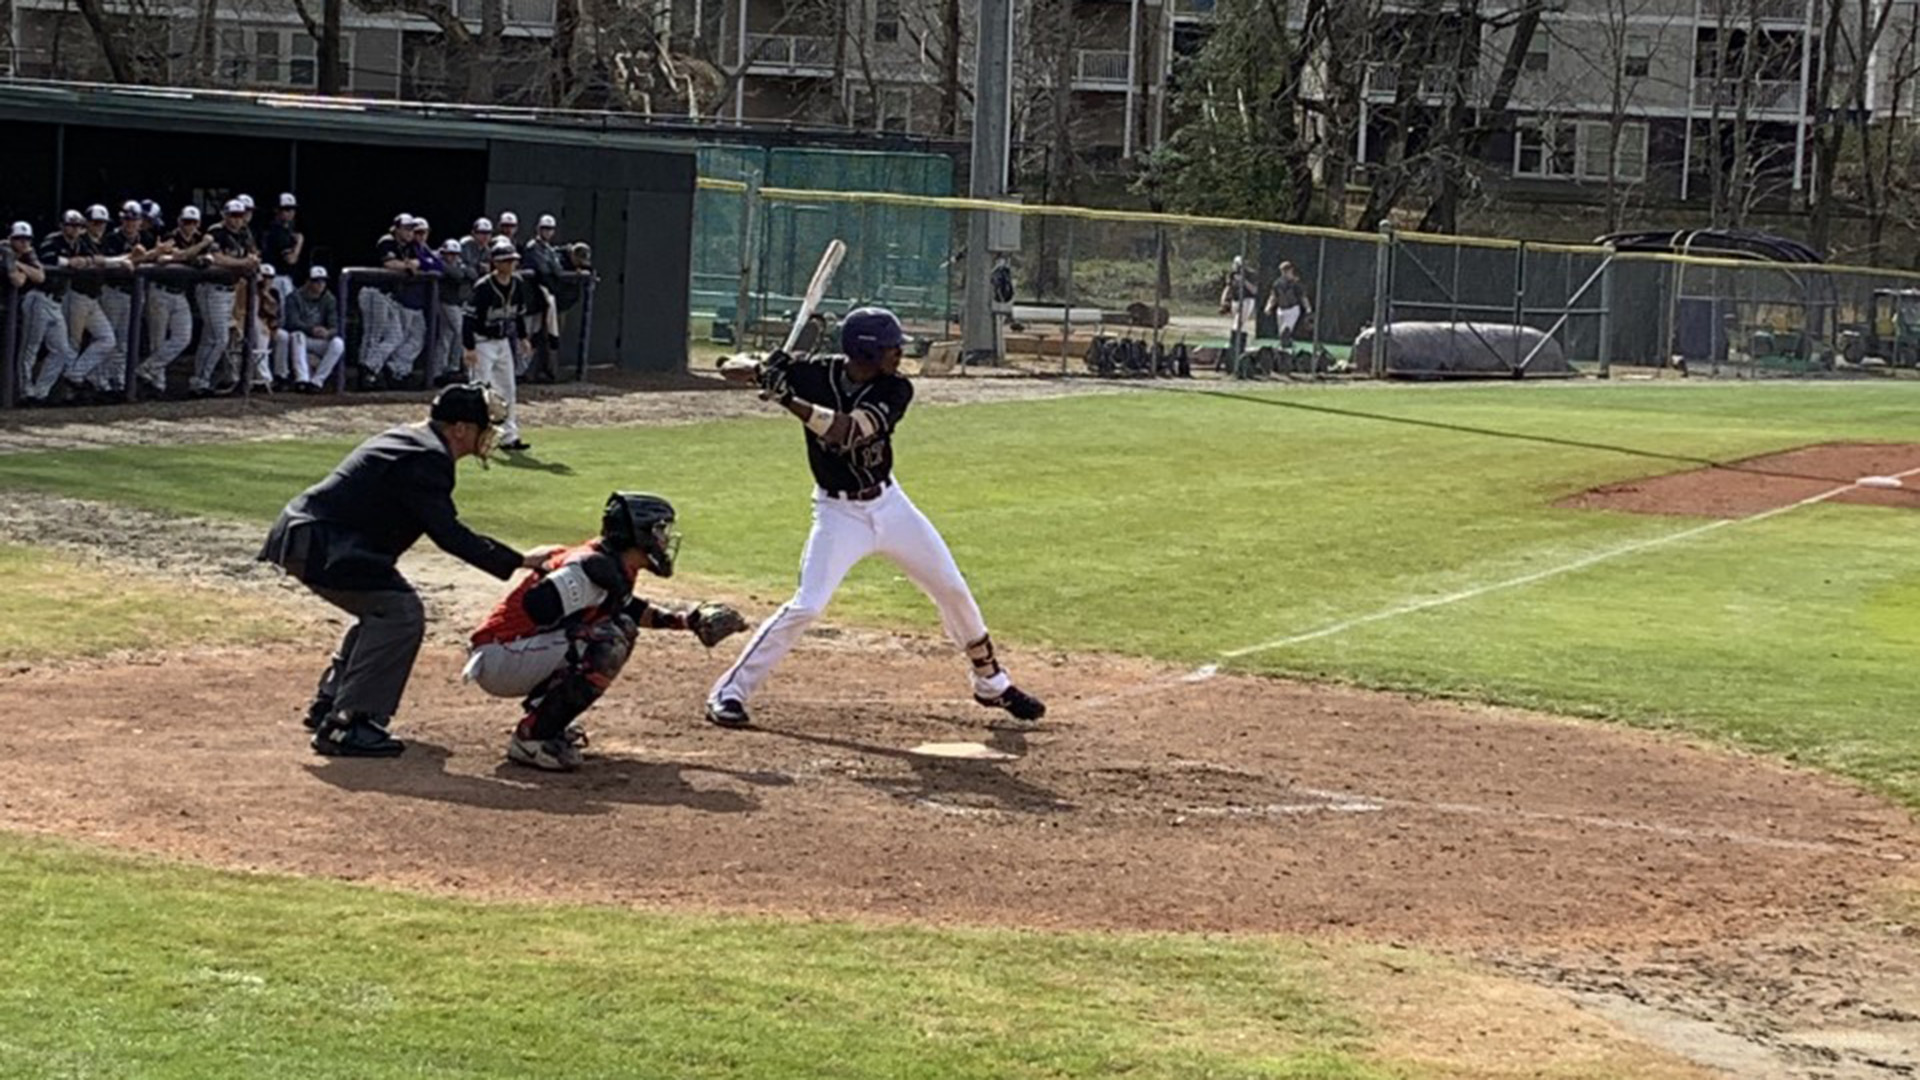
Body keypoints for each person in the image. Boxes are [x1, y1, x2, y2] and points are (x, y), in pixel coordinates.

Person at [704, 307, 1046, 729]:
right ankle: (729, 692)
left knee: (952, 589)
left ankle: (991, 682)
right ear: (865, 351)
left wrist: (787, 398)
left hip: (890, 505)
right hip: (838, 513)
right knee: (808, 605)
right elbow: (726, 368)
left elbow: (847, 432)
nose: (899, 353)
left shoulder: (896, 389)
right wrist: (763, 369)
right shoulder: (816, 374)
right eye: (890, 347)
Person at [258, 383, 563, 758]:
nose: (489, 435)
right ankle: (349, 723)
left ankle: (332, 701)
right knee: (399, 613)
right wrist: (518, 560)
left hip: (311, 538)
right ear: (461, 429)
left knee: (380, 609)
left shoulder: (413, 440)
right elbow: (448, 534)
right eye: (484, 427)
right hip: (322, 544)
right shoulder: (428, 458)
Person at [464, 493, 749, 771]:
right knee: (606, 640)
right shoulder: (591, 567)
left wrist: (687, 621)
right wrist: (576, 624)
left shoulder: (612, 565)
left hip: (515, 651)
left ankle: (547, 721)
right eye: (660, 530)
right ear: (639, 534)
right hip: (501, 654)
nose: (664, 540)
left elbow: (625, 608)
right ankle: (532, 739)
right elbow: (538, 605)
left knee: (614, 630)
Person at [463, 238, 534, 453]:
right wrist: (469, 348)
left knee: (508, 390)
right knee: (479, 391)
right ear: (496, 262)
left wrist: (523, 338)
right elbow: (468, 319)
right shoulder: (483, 287)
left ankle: (509, 437)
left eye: (513, 260)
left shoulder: (518, 284)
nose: (511, 264)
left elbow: (519, 315)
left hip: (503, 342)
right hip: (481, 342)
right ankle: (475, 438)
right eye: (506, 260)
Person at [39, 208, 116, 404]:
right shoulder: (63, 240)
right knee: (65, 346)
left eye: (77, 226)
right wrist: (70, 261)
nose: (74, 229)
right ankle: (48, 394)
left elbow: (100, 261)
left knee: (107, 339)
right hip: (62, 296)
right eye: (71, 225)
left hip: (86, 298)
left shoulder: (88, 243)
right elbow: (46, 258)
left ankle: (73, 377)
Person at [140, 205, 212, 398]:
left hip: (179, 293)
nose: (189, 226)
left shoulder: (199, 238)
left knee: (183, 337)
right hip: (160, 291)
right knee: (158, 340)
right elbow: (169, 258)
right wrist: (197, 250)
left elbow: (207, 260)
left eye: (193, 222)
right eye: (186, 222)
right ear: (179, 222)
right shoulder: (169, 236)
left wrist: (198, 256)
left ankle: (147, 368)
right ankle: (158, 386)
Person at [191, 199, 259, 397]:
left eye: (239, 216)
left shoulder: (244, 234)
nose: (236, 220)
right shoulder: (216, 232)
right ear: (224, 215)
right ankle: (200, 381)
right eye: (232, 216)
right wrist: (242, 263)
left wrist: (249, 261)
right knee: (219, 338)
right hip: (211, 288)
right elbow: (218, 259)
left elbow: (253, 257)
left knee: (210, 338)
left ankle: (199, 382)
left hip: (230, 289)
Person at [7, 221, 72, 405]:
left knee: (62, 350)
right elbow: (19, 281)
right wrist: (20, 266)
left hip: (53, 301)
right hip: (34, 300)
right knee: (30, 348)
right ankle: (25, 392)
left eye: (27, 239)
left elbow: (40, 276)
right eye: (19, 239)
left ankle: (40, 393)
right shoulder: (5, 249)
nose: (23, 243)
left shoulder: (28, 252)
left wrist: (19, 263)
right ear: (11, 238)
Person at [281, 265, 345, 392]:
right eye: (316, 281)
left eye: (323, 281)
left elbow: (335, 326)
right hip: (302, 339)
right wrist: (311, 329)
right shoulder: (294, 297)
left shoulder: (329, 299)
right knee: (297, 335)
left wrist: (328, 332)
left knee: (338, 343)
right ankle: (302, 380)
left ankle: (317, 381)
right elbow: (292, 323)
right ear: (308, 282)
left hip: (319, 340)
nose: (320, 284)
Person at [520, 213, 565, 382]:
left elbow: (557, 269)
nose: (547, 232)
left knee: (537, 334)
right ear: (538, 229)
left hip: (540, 299)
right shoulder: (533, 247)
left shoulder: (549, 249)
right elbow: (544, 270)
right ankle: (519, 372)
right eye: (544, 229)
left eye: (550, 229)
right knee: (525, 333)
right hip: (529, 297)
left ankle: (525, 371)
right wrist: (552, 272)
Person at [433, 237, 474, 386]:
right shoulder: (439, 261)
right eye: (448, 254)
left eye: (454, 254)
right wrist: (459, 270)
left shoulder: (460, 263)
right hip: (445, 302)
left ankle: (442, 371)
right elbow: (457, 274)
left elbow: (472, 274)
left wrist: (461, 270)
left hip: (455, 303)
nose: (451, 257)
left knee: (447, 336)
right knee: (458, 332)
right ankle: (451, 368)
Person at [263, 193, 305, 302]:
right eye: (286, 209)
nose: (290, 212)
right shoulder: (277, 232)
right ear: (277, 210)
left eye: (292, 209)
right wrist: (299, 243)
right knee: (284, 315)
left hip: (282, 278)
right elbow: (291, 259)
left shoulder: (285, 230)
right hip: (278, 278)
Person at [1265, 261, 1312, 351]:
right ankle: (1287, 350)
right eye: (1283, 271)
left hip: (1292, 310)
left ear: (1291, 270)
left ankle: (1287, 349)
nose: (1284, 273)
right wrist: (1268, 307)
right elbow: (1273, 296)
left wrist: (1308, 308)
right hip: (1281, 310)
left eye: (1286, 270)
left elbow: (1303, 297)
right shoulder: (1277, 283)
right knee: (1281, 335)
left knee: (1285, 331)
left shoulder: (1296, 283)